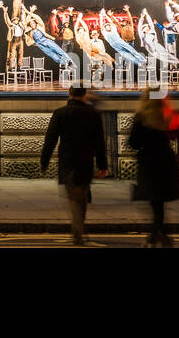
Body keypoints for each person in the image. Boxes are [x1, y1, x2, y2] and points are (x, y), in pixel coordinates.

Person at [40, 85, 110, 246]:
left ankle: (77, 231)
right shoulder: (93, 114)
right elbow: (99, 142)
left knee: (73, 197)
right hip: (85, 160)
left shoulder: (60, 113)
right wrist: (102, 165)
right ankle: (79, 228)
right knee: (82, 196)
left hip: (67, 160)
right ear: (84, 95)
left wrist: (44, 161)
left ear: (69, 94)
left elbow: (50, 140)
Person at [129, 90, 179, 247]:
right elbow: (175, 135)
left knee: (155, 202)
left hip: (149, 161)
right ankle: (159, 235)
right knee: (159, 202)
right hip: (166, 161)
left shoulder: (141, 118)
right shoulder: (168, 115)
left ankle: (155, 236)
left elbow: (133, 142)